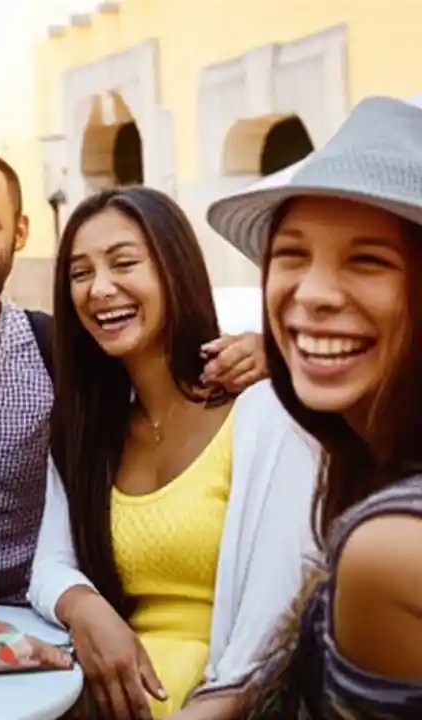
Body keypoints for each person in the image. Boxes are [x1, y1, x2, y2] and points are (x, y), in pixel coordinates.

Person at [0, 147, 269, 602]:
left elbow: (160, 363)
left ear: (19, 234)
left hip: (35, 637)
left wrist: (274, 354)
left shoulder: (62, 356)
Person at [28, 187, 315, 719]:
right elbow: (50, 564)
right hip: (112, 694)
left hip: (229, 699)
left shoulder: (260, 412)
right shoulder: (85, 431)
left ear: (173, 268)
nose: (100, 289)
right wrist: (87, 608)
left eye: (124, 263)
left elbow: (279, 611)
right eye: (80, 273)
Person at [207, 95, 422, 717]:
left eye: (369, 261)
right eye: (292, 254)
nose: (315, 293)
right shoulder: (357, 465)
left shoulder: (388, 546)